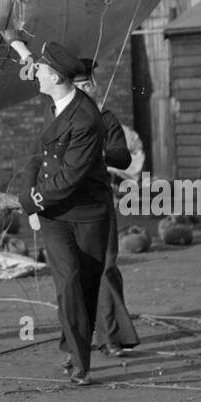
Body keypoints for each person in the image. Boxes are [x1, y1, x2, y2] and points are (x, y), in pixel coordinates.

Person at [0, 35, 109, 386]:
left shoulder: (86, 119)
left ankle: (72, 342)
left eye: (42, 71)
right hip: (56, 217)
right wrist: (16, 43)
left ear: (58, 78)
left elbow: (66, 180)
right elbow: (41, 155)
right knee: (69, 280)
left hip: (88, 213)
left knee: (87, 286)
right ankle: (80, 361)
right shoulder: (60, 100)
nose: (36, 76)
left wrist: (24, 202)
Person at [73, 58, 141, 356]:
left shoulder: (106, 119)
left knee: (108, 266)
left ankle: (112, 336)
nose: (83, 91)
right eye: (76, 87)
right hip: (69, 207)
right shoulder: (62, 119)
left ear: (93, 86)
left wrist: (98, 153)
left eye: (86, 86)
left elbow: (121, 156)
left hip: (100, 203)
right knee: (74, 272)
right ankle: (77, 341)